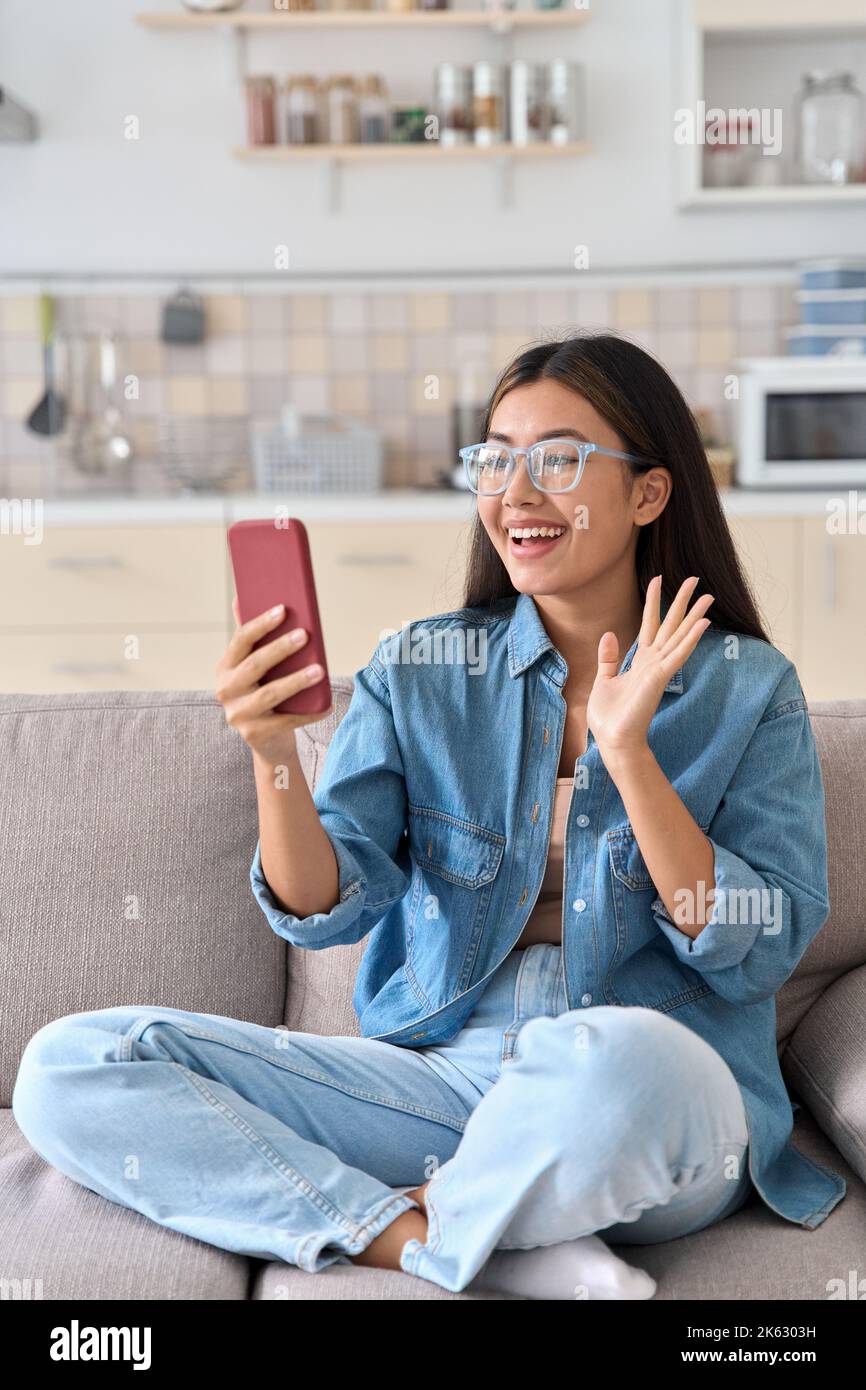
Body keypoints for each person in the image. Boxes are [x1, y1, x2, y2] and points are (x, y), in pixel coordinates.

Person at [12, 332, 844, 1300]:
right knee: (76, 1060)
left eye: (558, 459)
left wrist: (629, 755)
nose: (515, 492)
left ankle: (466, 1226)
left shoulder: (748, 688)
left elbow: (757, 945)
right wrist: (273, 752)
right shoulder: (420, 666)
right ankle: (431, 1238)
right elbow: (328, 908)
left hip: (647, 1096)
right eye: (494, 458)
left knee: (628, 1055)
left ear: (648, 493)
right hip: (441, 1085)